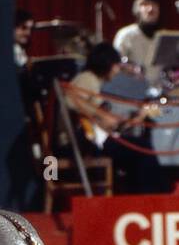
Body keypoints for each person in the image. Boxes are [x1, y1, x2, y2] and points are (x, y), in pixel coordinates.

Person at [64, 41, 167, 195]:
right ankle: (149, 199)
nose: (118, 69)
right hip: (84, 143)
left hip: (96, 139)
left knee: (138, 149)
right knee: (143, 151)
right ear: (107, 64)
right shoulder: (87, 78)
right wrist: (101, 115)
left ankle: (138, 198)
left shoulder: (94, 81)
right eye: (116, 65)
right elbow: (71, 101)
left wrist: (137, 117)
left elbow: (107, 123)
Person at [112, 0, 164, 83]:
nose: (151, 8)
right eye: (146, 5)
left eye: (154, 5)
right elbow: (116, 62)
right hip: (131, 89)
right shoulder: (126, 34)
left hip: (159, 89)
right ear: (137, 9)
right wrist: (131, 69)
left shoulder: (163, 36)